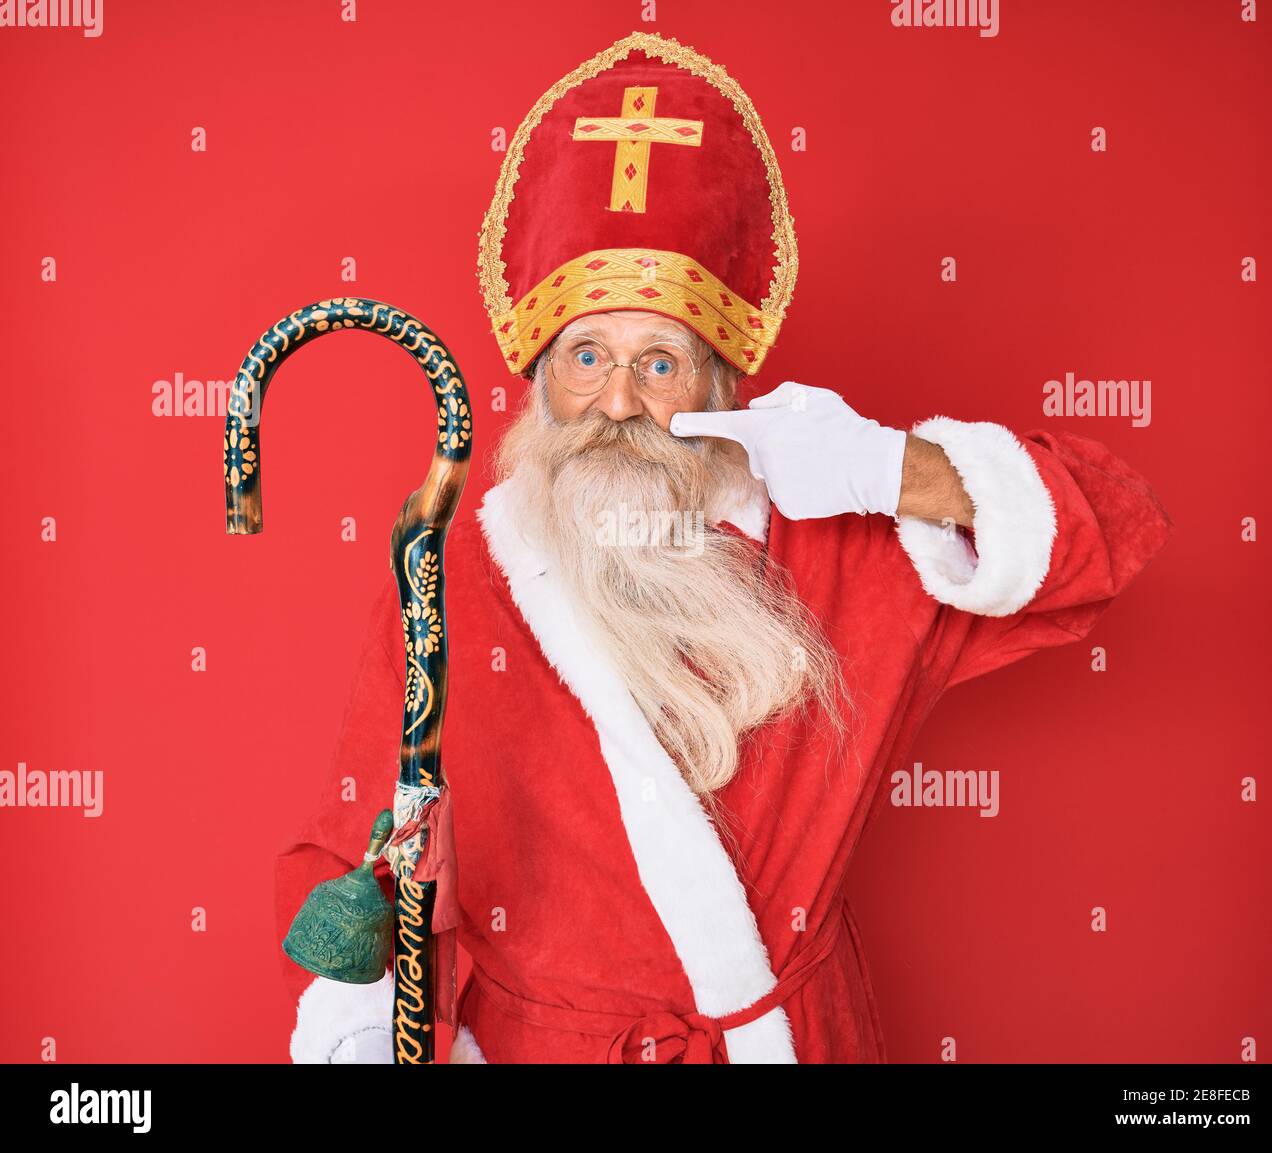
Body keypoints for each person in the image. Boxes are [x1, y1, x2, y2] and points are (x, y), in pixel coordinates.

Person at [276, 30, 1173, 1064]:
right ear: (538, 376)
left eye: (658, 360)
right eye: (585, 357)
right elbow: (363, 852)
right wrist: (362, 1027)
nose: (616, 400)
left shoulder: (848, 553)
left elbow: (1107, 532)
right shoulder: (453, 584)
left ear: (717, 387)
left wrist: (888, 466)